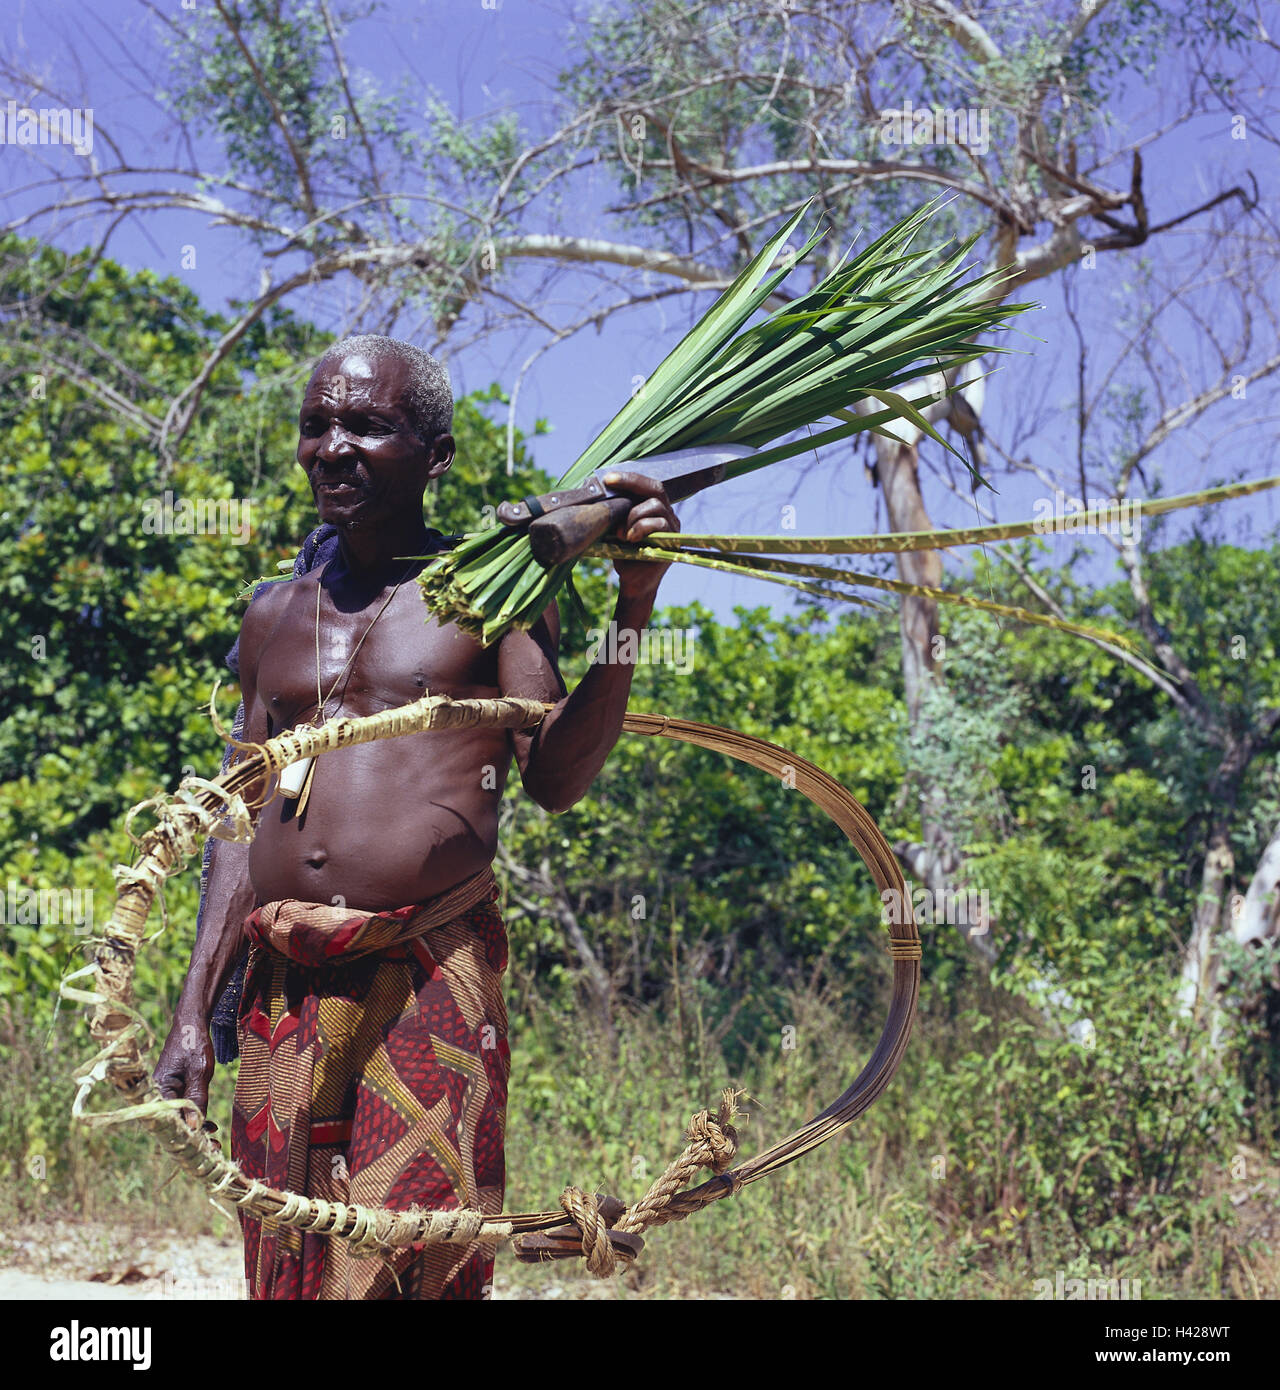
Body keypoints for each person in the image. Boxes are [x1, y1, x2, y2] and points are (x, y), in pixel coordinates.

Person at [153, 334, 679, 1299]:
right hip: (283, 985)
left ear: (435, 456)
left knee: (412, 1256)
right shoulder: (274, 614)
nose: (332, 446)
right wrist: (192, 1010)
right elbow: (238, 819)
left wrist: (633, 607)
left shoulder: (489, 597)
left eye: (366, 425)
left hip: (427, 972)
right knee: (287, 1255)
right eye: (317, 424)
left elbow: (556, 778)